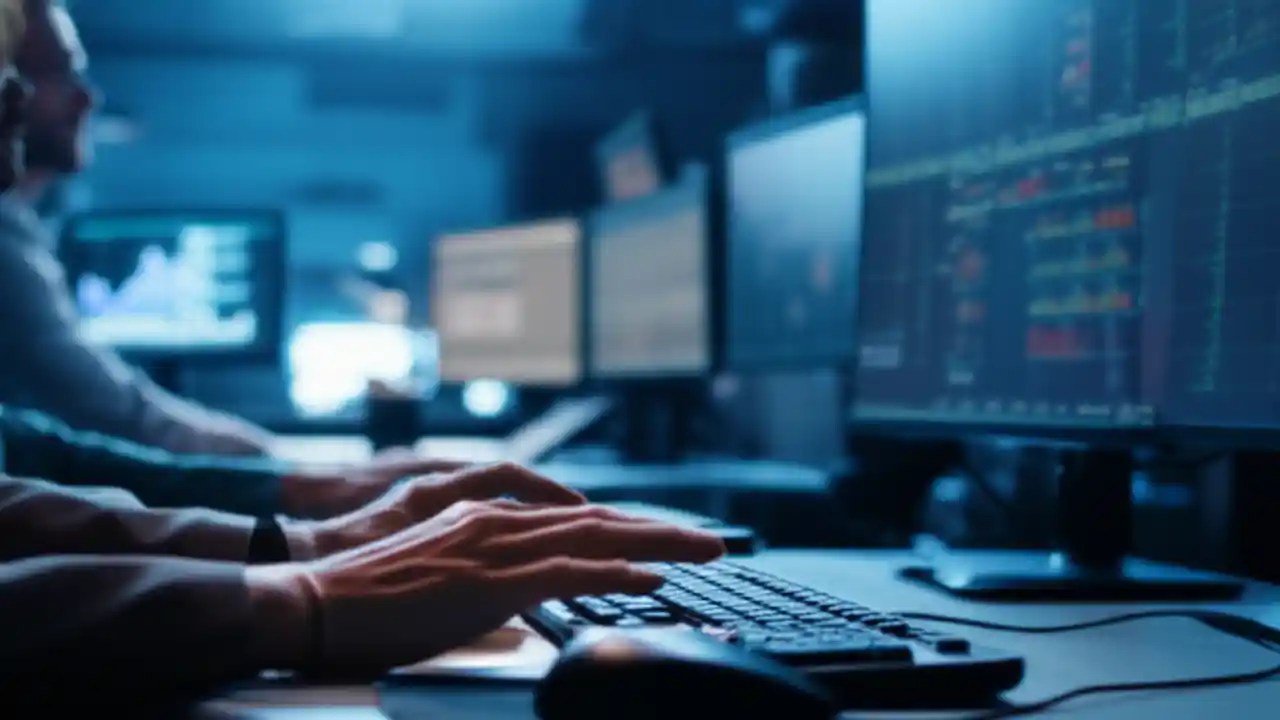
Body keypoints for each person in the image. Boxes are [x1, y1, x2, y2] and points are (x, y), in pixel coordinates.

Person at [0, 0, 294, 457]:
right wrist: (284, 469)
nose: (88, 99)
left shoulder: (25, 225)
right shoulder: (5, 240)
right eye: (58, 74)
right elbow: (113, 416)